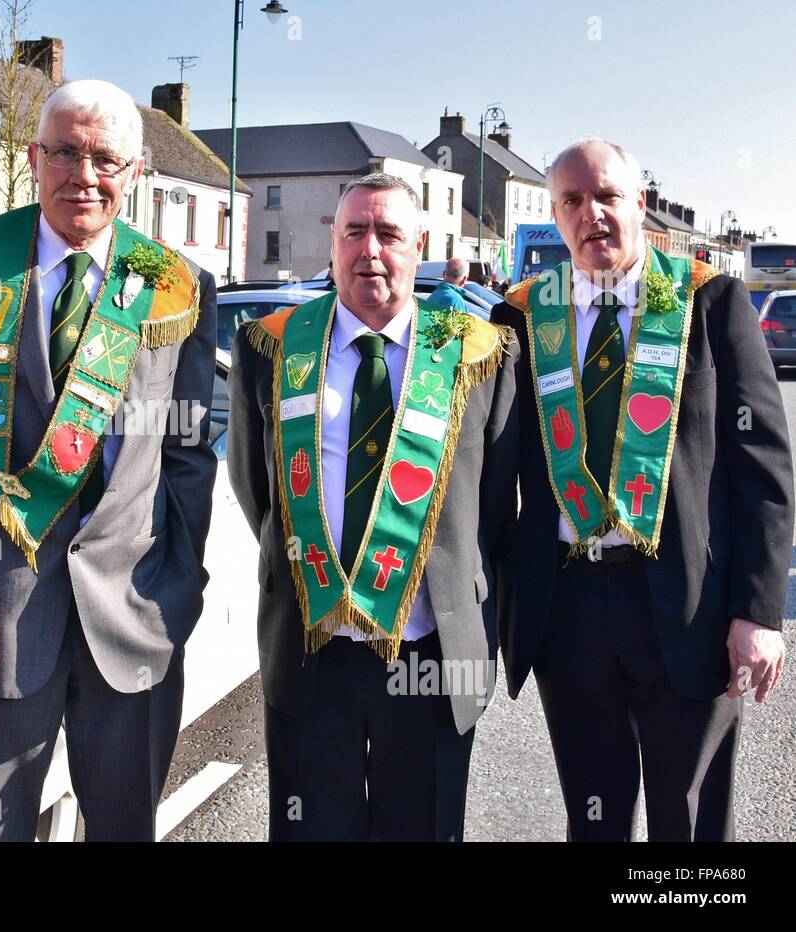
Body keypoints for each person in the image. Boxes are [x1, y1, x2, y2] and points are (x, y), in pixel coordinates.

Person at [0, 79, 218, 841]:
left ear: (135, 174)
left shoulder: (176, 286)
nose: (85, 174)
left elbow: (189, 454)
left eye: (106, 158)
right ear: (34, 158)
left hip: (134, 619)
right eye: (65, 152)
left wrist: (178, 585)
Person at [493, 138, 792, 841]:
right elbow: (490, 471)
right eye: (571, 201)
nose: (591, 214)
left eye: (607, 197)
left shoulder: (708, 302)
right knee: (592, 817)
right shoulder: (520, 318)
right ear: (556, 216)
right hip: (569, 609)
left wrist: (758, 611)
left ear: (641, 205)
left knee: (686, 820)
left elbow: (764, 466)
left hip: (690, 606)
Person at [227, 173, 519, 841]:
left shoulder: (481, 355)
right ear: (331, 245)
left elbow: (495, 511)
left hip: (432, 654)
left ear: (419, 245)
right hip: (312, 649)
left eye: (388, 234)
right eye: (353, 232)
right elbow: (257, 491)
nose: (370, 250)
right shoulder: (267, 349)